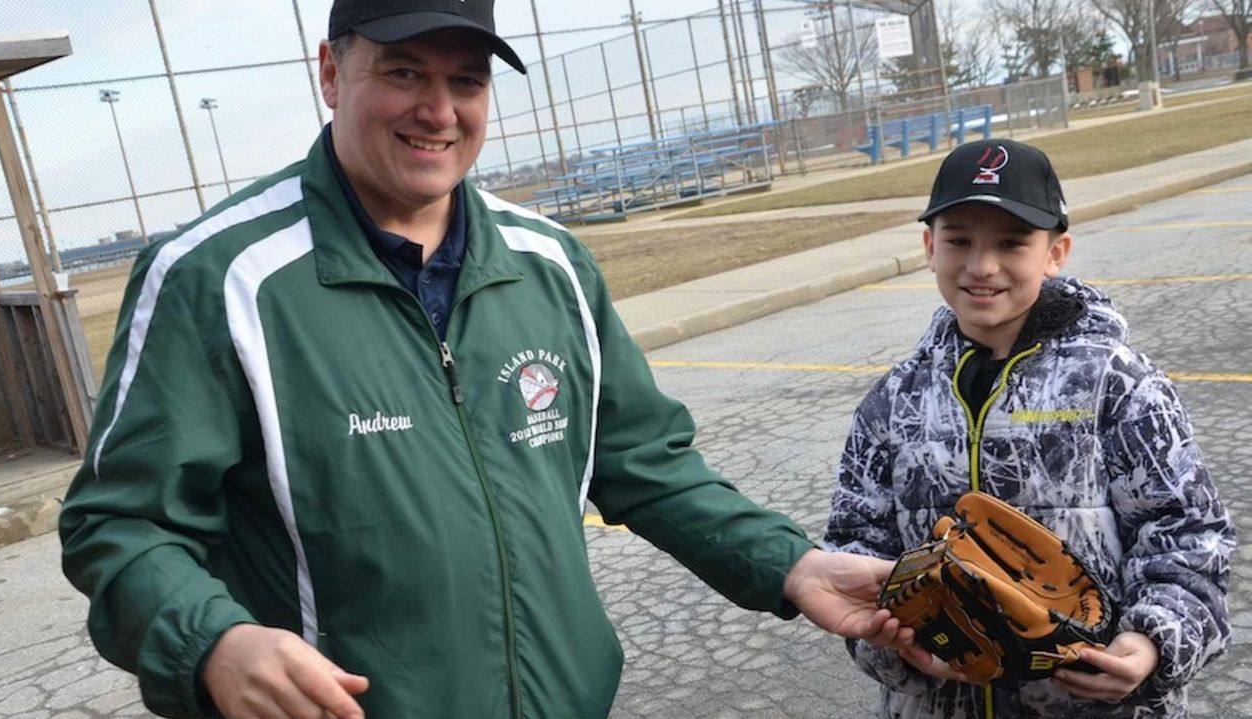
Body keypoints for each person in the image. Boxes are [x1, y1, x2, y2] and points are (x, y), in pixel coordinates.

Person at [59, 1, 912, 717]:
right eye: (404, 72)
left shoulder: (551, 263)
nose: (439, 111)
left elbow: (645, 462)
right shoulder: (218, 278)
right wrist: (214, 641)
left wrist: (789, 563)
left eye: (466, 81)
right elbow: (120, 524)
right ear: (331, 72)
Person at [821, 138, 1234, 718]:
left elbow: (1189, 534)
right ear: (929, 247)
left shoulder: (1118, 384)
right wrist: (895, 644)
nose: (982, 266)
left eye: (1012, 242)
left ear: (1055, 253)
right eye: (959, 240)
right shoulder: (892, 401)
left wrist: (1150, 643)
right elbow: (854, 544)